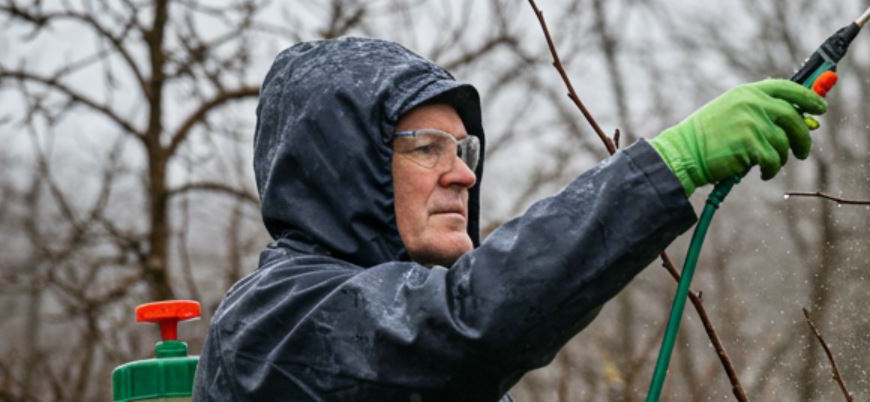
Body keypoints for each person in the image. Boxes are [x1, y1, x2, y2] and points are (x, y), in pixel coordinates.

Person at [192, 36, 825, 401]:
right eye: (425, 148)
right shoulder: (274, 324)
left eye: (464, 150)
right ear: (342, 166)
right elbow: (469, 322)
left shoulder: (410, 342)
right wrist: (668, 165)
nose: (464, 173)